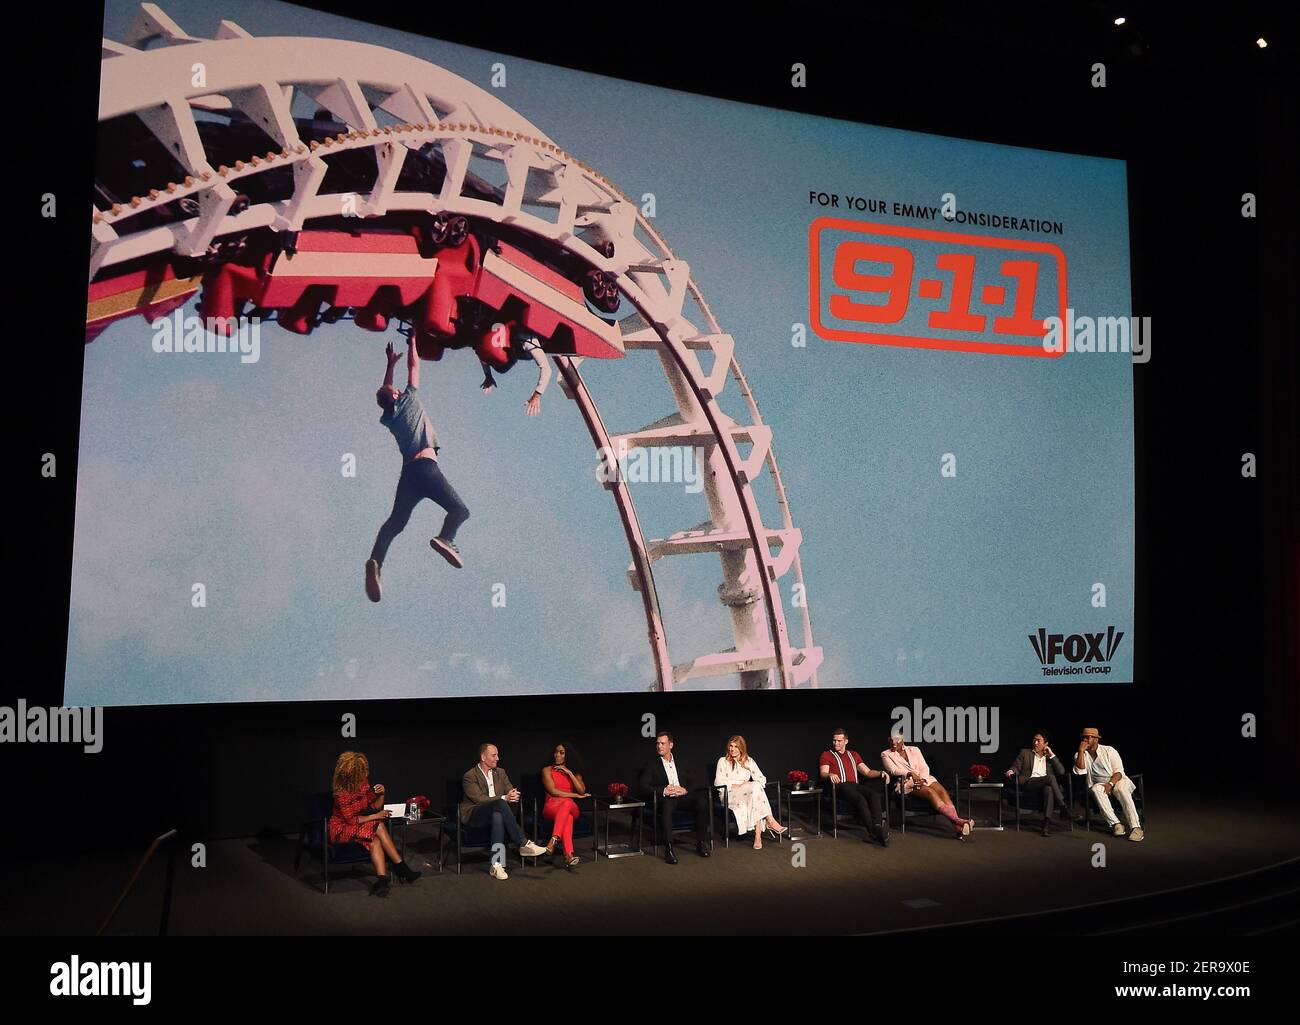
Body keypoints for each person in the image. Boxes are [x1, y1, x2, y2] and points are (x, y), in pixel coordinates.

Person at [366, 340, 469, 603]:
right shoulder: (409, 399)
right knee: (460, 511)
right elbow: (414, 365)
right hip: (426, 468)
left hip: (409, 475)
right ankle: (446, 538)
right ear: (399, 395)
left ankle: (376, 561)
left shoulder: (388, 417)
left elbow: (385, 394)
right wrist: (413, 339)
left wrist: (389, 365)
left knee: (396, 523)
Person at [327, 751, 420, 896]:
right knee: (379, 825)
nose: (365, 774)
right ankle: (401, 867)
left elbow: (375, 806)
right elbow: (351, 820)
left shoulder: (363, 784)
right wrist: (376, 816)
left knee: (374, 841)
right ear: (351, 775)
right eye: (362, 772)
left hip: (357, 825)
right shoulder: (342, 794)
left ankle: (382, 881)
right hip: (340, 828)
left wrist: (382, 794)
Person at [460, 743, 550, 880]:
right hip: (475, 814)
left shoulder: (500, 772)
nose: (498, 758)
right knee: (500, 804)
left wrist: (512, 793)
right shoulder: (470, 775)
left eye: (497, 755)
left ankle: (496, 865)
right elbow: (478, 799)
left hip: (496, 813)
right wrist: (504, 798)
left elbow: (509, 788)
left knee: (498, 816)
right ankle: (522, 843)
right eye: (494, 755)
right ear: (483, 757)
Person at [880, 731, 973, 839]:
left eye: (897, 740)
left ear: (902, 740)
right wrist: (910, 773)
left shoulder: (914, 750)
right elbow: (893, 771)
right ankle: (959, 821)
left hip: (924, 778)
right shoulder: (885, 754)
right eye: (891, 740)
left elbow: (924, 767)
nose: (894, 743)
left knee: (942, 791)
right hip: (906, 782)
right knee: (930, 792)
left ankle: (958, 827)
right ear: (888, 740)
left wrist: (923, 779)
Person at [639, 732, 712, 863]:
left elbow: (696, 780)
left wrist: (685, 789)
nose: (659, 746)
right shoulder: (651, 764)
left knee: (702, 802)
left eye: (663, 743)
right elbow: (644, 785)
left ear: (671, 745)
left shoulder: (681, 761)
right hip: (666, 798)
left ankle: (701, 843)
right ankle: (669, 848)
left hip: (682, 797)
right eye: (657, 743)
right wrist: (663, 790)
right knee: (667, 807)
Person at [818, 727, 890, 846]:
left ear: (846, 741)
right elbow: (823, 773)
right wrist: (830, 774)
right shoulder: (826, 755)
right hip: (840, 786)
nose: (836, 743)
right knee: (860, 799)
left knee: (874, 795)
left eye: (839, 741)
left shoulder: (854, 754)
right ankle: (874, 832)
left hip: (854, 785)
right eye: (834, 740)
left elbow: (867, 772)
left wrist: (881, 773)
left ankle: (877, 827)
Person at [714, 736, 787, 850]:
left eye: (736, 747)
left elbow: (762, 779)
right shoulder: (722, 761)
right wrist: (735, 785)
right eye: (731, 746)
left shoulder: (749, 761)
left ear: (742, 748)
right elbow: (718, 782)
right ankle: (769, 820)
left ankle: (758, 835)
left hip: (749, 794)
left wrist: (746, 785)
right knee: (755, 788)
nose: (733, 749)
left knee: (755, 790)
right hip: (730, 794)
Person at [1073, 727, 1144, 841]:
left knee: (1120, 789)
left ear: (1096, 739)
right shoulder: (1080, 754)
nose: (1085, 740)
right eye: (1084, 737)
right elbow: (1080, 771)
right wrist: (1081, 751)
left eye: (1088, 737)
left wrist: (1110, 784)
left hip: (1118, 780)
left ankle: (1136, 827)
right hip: (1099, 783)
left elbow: (1119, 771)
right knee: (1095, 789)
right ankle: (1116, 824)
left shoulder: (1109, 750)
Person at [475, 320, 554, 417]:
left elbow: (483, 355)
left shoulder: (525, 342)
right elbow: (546, 369)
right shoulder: (526, 342)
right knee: (500, 365)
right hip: (514, 336)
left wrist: (488, 375)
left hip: (514, 336)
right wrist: (536, 396)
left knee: (500, 364)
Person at [1005, 730, 1070, 836]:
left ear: (1046, 744)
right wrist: (1011, 771)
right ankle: (1063, 808)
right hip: (1029, 783)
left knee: (1048, 789)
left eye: (1038, 741)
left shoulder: (1049, 758)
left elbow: (1061, 771)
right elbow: (1016, 766)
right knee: (1051, 778)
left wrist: (1052, 755)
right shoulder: (1025, 753)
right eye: (1034, 740)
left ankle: (1046, 826)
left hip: (1043, 785)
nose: (1035, 743)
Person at [541, 741, 590, 868]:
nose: (557, 755)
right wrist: (575, 796)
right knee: (567, 816)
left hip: (570, 807)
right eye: (556, 752)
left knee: (567, 804)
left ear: (568, 755)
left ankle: (553, 841)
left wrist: (569, 773)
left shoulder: (574, 772)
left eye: (561, 753)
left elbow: (582, 790)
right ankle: (568, 855)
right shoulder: (547, 770)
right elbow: (553, 791)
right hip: (551, 806)